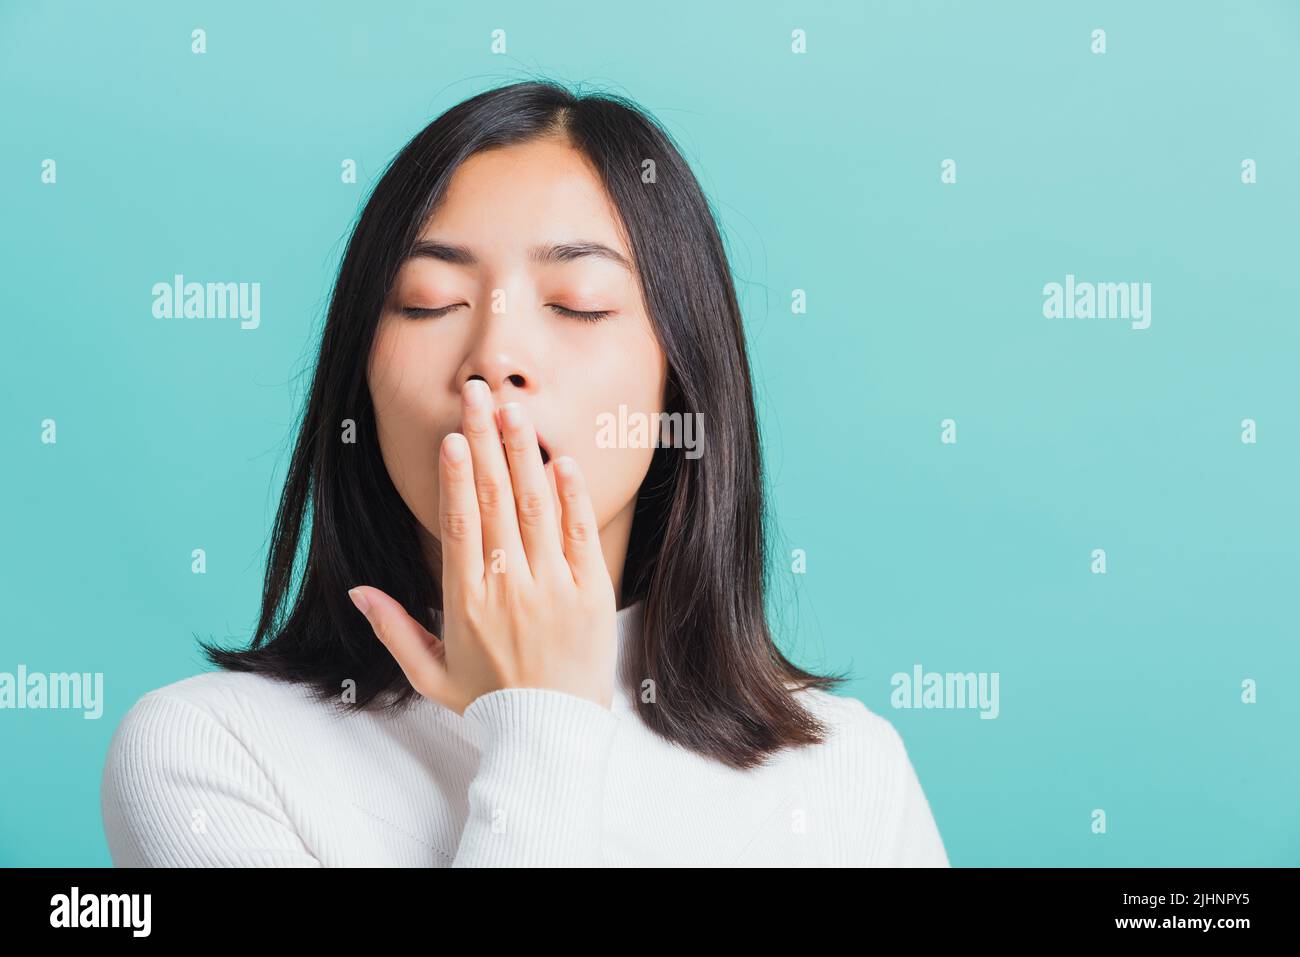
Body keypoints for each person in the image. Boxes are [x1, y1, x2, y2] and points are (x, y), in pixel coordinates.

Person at [100, 79, 949, 867]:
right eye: (430, 301)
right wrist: (543, 724)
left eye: (577, 303)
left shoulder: (849, 773)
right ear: (359, 372)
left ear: (679, 378)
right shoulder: (207, 754)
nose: (494, 356)